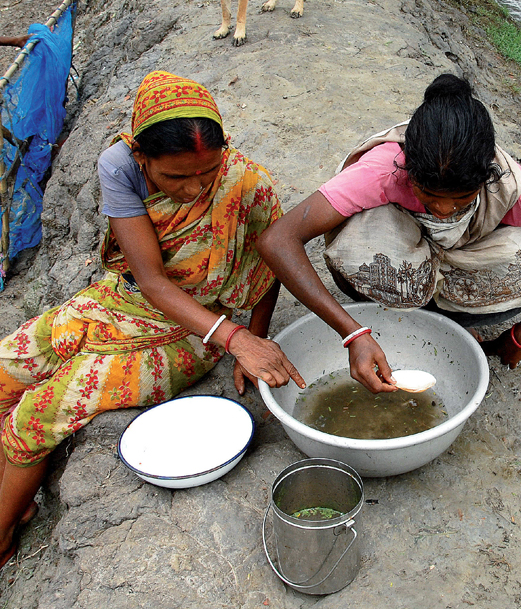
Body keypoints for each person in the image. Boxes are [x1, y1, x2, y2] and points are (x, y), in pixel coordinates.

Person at [0, 71, 304, 567]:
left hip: (197, 333)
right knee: (10, 364)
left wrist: (251, 340)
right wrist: (239, 336)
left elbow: (267, 265)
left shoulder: (245, 183)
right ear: (142, 157)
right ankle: (12, 495)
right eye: (175, 177)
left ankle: (4, 535)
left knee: (40, 414)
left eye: (206, 173)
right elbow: (150, 280)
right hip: (130, 298)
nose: (194, 189)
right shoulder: (117, 166)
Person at [258, 73, 521, 393]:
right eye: (429, 195)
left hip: (460, 262)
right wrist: (353, 332)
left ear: (485, 177)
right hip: (400, 254)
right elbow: (278, 240)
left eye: (462, 199)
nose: (443, 209)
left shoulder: (508, 184)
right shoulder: (382, 167)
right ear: (406, 168)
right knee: (354, 245)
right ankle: (387, 311)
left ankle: (447, 319)